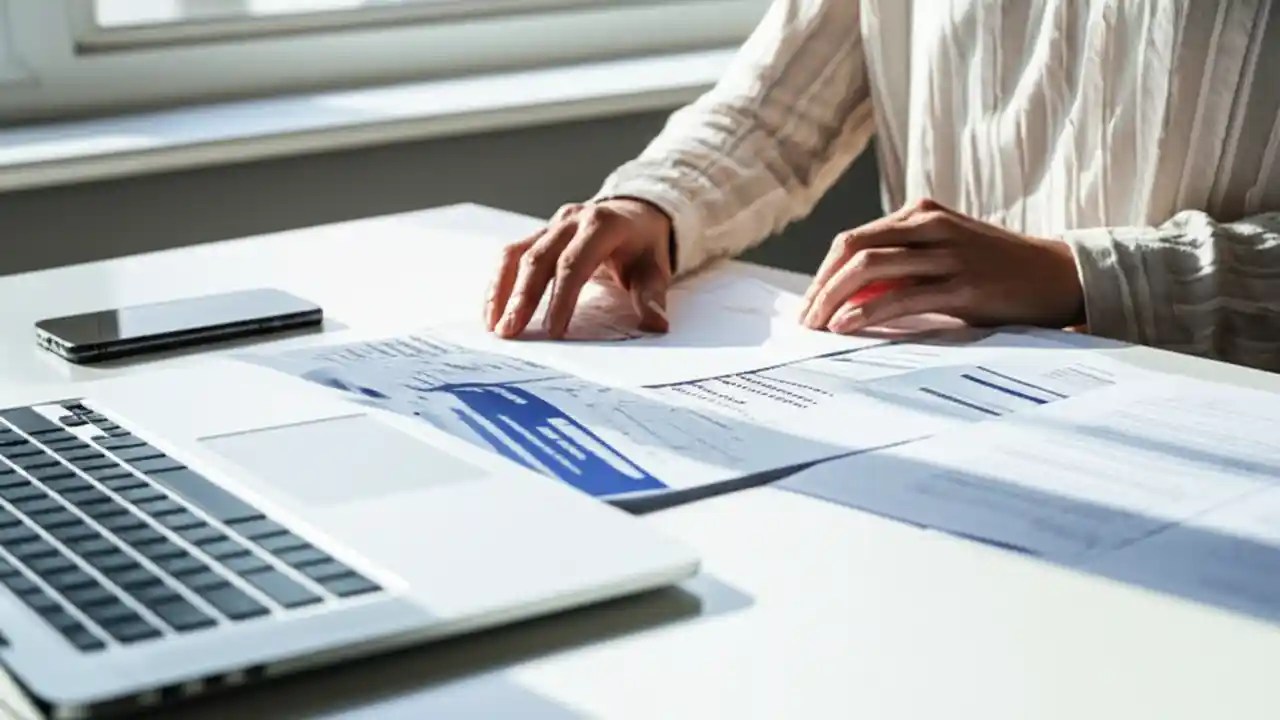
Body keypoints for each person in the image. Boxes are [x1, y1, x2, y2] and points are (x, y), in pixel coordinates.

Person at [482, 0, 1280, 371]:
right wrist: (650, 202)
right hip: (946, 402)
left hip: (1229, 443)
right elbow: (775, 111)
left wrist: (1080, 273)